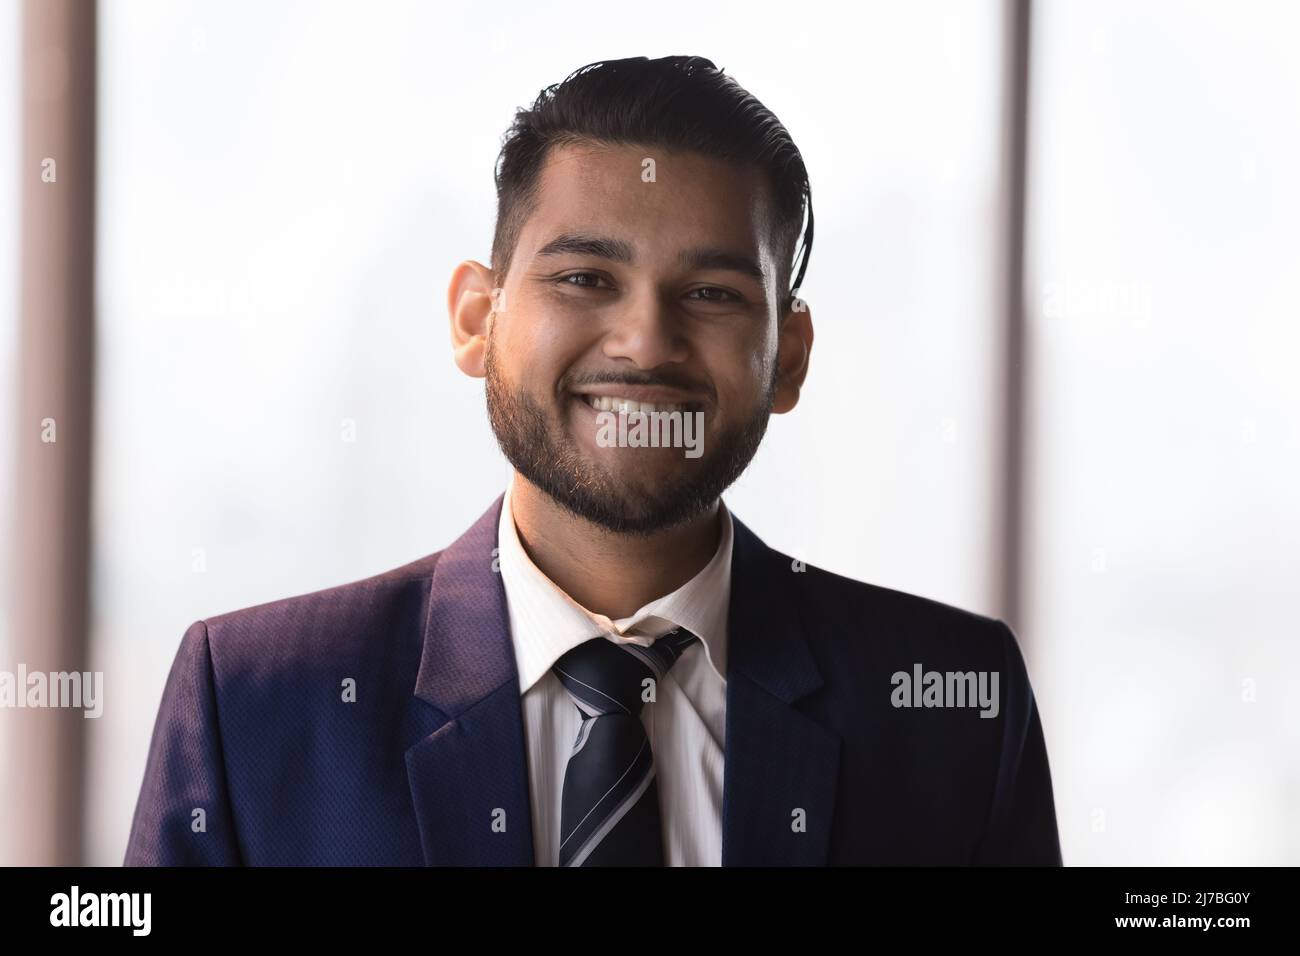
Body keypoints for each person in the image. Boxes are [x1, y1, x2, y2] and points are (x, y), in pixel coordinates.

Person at [124, 55, 1061, 866]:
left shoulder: (955, 710)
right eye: (584, 278)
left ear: (791, 357)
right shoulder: (253, 707)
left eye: (712, 292)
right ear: (475, 320)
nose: (645, 341)